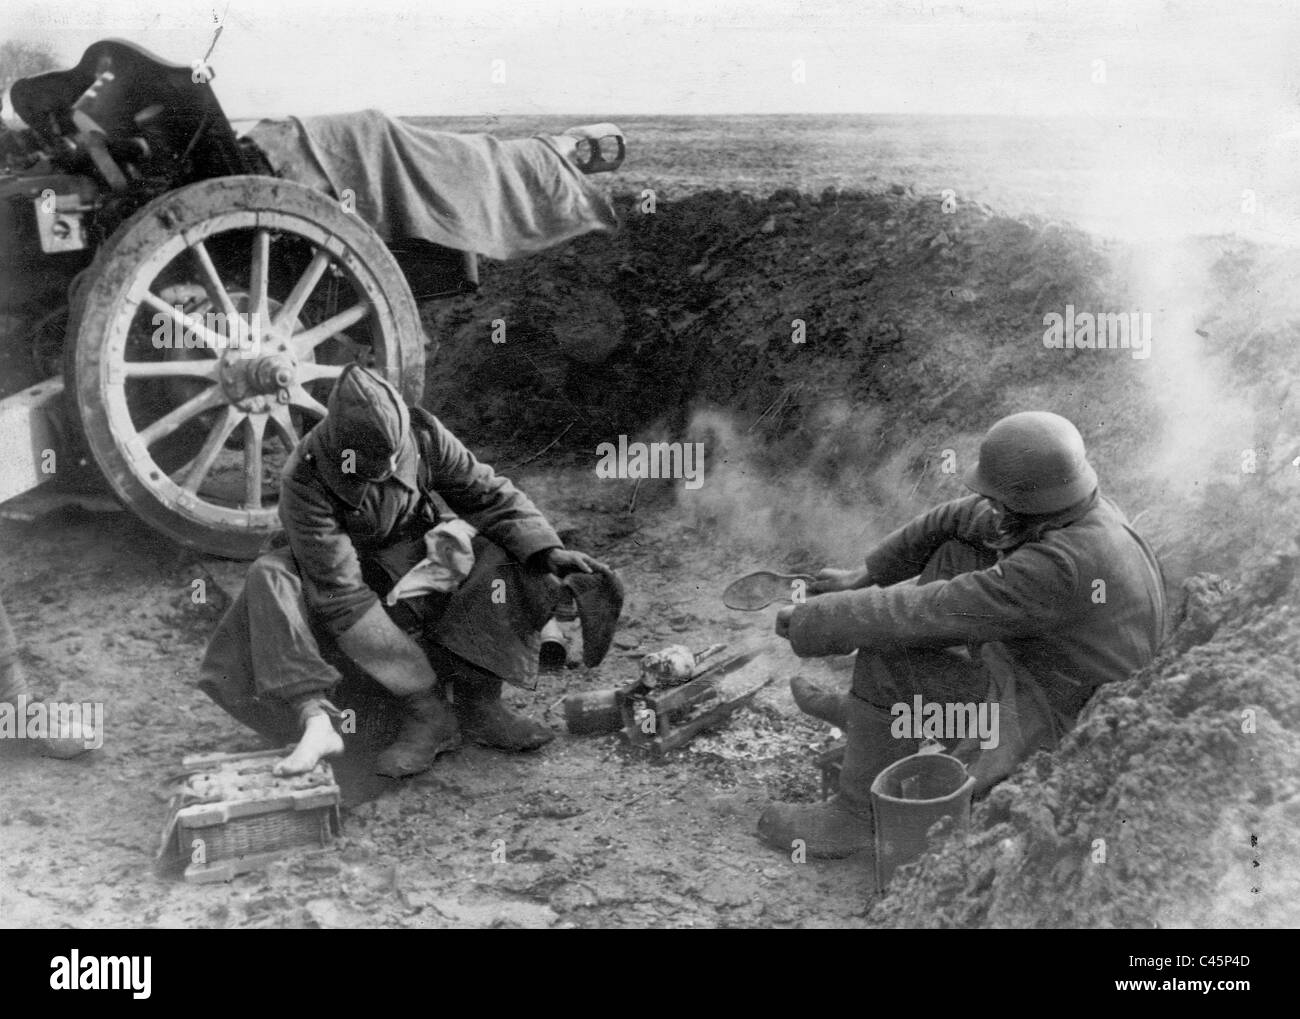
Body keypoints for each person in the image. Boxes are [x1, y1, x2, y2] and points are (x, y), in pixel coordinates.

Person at [758, 411, 1166, 858]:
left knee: (892, 649)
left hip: (1067, 725)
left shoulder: (1060, 567)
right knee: (955, 550)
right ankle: (880, 719)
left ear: (1023, 503)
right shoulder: (1071, 509)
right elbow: (955, 518)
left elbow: (925, 611)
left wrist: (814, 620)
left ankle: (857, 818)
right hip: (1052, 676)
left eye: (998, 502)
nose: (989, 509)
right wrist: (864, 574)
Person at [198, 364, 619, 778]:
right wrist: (421, 695)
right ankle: (423, 716)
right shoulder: (307, 475)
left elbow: (489, 496)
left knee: (509, 551)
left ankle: (480, 703)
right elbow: (341, 595)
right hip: (342, 581)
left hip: (411, 556)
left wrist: (549, 552)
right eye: (376, 467)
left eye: (395, 459)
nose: (389, 470)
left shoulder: (422, 433)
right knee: (270, 575)